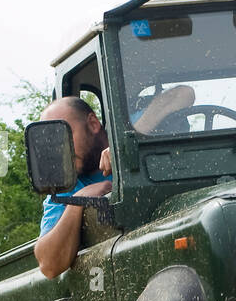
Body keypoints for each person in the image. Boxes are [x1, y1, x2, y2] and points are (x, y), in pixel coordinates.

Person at [34, 86, 194, 278]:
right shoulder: (66, 185)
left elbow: (185, 93)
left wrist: (124, 146)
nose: (62, 151)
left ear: (93, 124)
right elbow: (49, 265)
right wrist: (79, 201)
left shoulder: (131, 126)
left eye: (65, 137)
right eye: (54, 144)